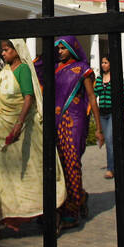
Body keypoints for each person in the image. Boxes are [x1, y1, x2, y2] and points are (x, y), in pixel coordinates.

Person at [0, 38, 62, 236]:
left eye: (6, 50)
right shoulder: (4, 72)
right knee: (0, 178)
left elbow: (28, 98)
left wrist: (18, 124)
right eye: (2, 50)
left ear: (17, 50)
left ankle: (48, 213)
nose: (3, 53)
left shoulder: (22, 70)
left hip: (20, 132)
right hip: (1, 131)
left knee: (29, 177)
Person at [37, 35, 102, 229]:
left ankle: (73, 210)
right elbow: (37, 68)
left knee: (72, 162)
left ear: (72, 49)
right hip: (55, 120)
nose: (59, 51)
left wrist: (99, 128)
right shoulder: (54, 69)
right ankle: (75, 198)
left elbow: (91, 98)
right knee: (58, 164)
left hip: (74, 119)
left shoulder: (82, 69)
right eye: (57, 48)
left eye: (62, 48)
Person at [95, 55, 124, 179]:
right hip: (102, 113)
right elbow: (94, 94)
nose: (103, 65)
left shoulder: (117, 78)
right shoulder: (99, 79)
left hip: (113, 113)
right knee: (108, 139)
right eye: (102, 62)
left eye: (105, 62)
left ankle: (111, 168)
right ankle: (115, 163)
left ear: (111, 64)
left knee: (110, 140)